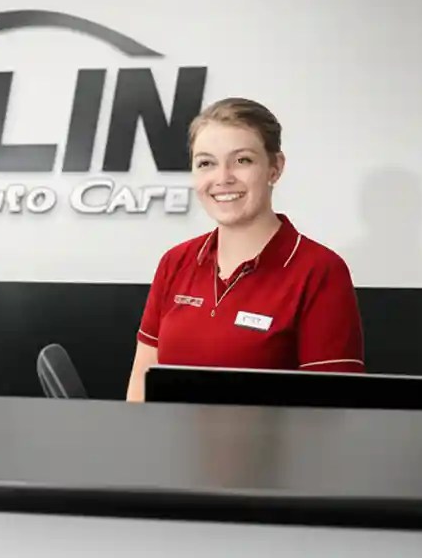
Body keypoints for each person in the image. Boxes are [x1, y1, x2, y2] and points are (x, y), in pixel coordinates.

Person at [126, 98, 364, 402]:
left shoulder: (319, 270)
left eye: (242, 160)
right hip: (170, 448)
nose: (223, 178)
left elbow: (335, 408)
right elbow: (140, 387)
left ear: (275, 168)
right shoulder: (175, 262)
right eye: (206, 163)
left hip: (271, 450)